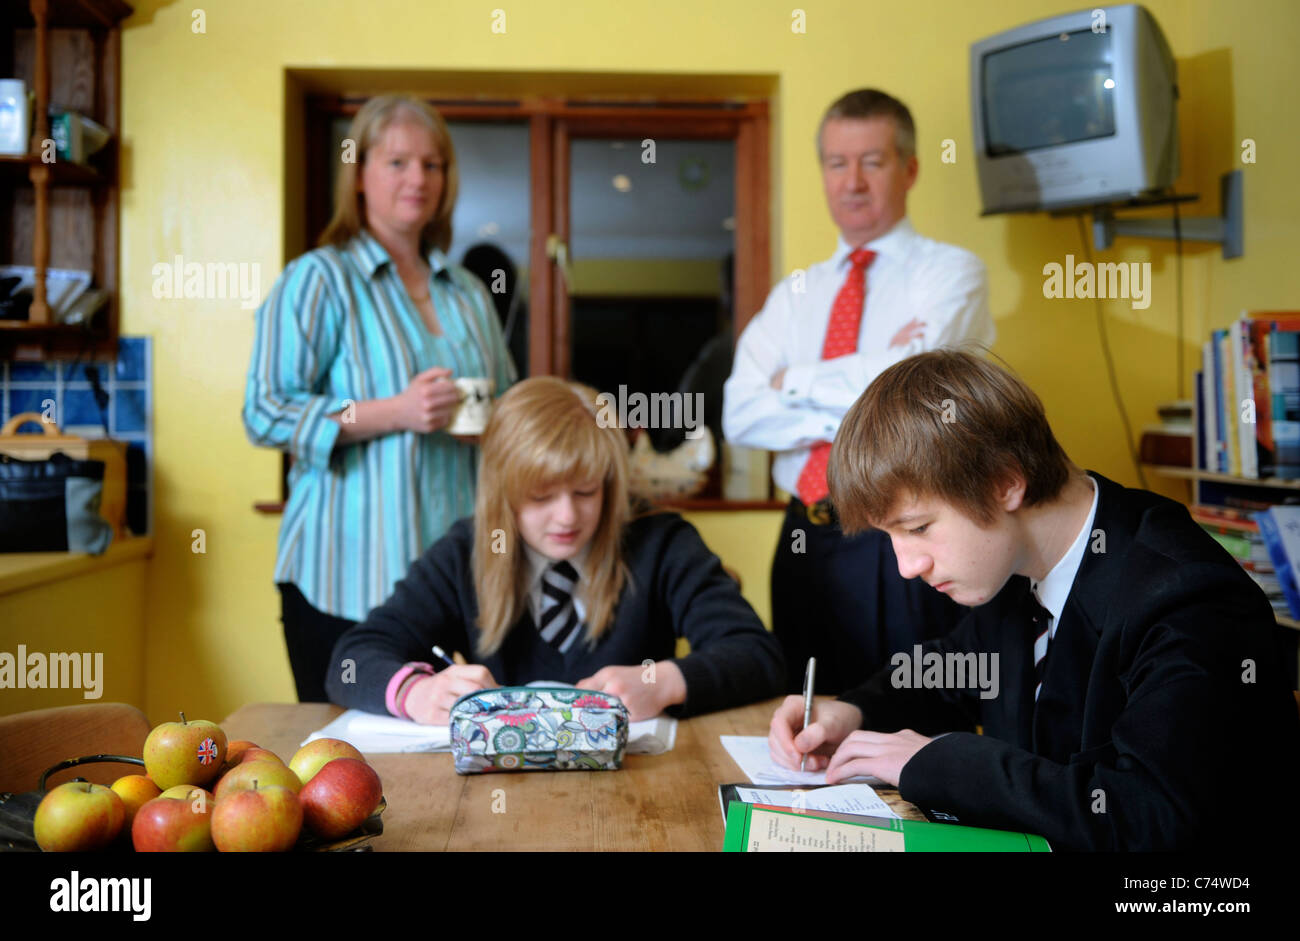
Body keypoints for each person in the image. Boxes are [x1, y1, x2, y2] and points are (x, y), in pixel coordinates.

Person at [768, 349, 1300, 850]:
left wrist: (942, 762)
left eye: (920, 527)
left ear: (1004, 484)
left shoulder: (1188, 597)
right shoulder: (1014, 563)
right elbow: (954, 670)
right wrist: (853, 710)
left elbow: (1149, 816)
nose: (908, 567)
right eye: (892, 538)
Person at [243, 94, 516, 702]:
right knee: (343, 771)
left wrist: (490, 424)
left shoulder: (470, 292)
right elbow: (264, 409)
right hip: (345, 579)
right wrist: (395, 411)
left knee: (453, 766)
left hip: (456, 585)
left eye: (432, 164)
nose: (417, 178)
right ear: (359, 174)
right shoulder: (319, 279)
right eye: (397, 162)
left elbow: (509, 410)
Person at [723, 88, 995, 693]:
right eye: (836, 163)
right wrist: (875, 385)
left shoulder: (951, 274)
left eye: (873, 161)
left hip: (902, 534)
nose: (852, 182)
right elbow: (739, 413)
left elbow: (915, 397)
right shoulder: (795, 295)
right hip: (804, 535)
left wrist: (791, 383)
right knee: (807, 719)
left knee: (911, 714)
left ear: (910, 168)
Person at [326, 376, 786, 722]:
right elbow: (349, 661)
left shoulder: (660, 541)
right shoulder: (466, 549)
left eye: (586, 492)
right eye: (541, 497)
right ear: (503, 494)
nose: (567, 517)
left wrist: (663, 681)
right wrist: (416, 693)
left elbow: (758, 656)